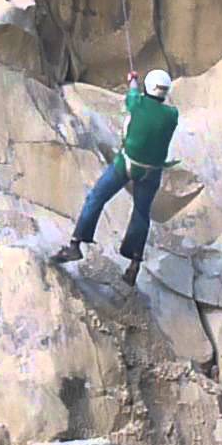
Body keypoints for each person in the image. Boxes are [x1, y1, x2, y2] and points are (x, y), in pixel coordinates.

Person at [53, 68, 179, 286]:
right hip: (152, 171)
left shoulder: (136, 104)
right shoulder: (172, 115)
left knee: (97, 197)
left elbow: (131, 95)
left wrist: (132, 80)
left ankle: (75, 245)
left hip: (126, 164)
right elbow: (152, 108)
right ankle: (134, 264)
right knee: (141, 213)